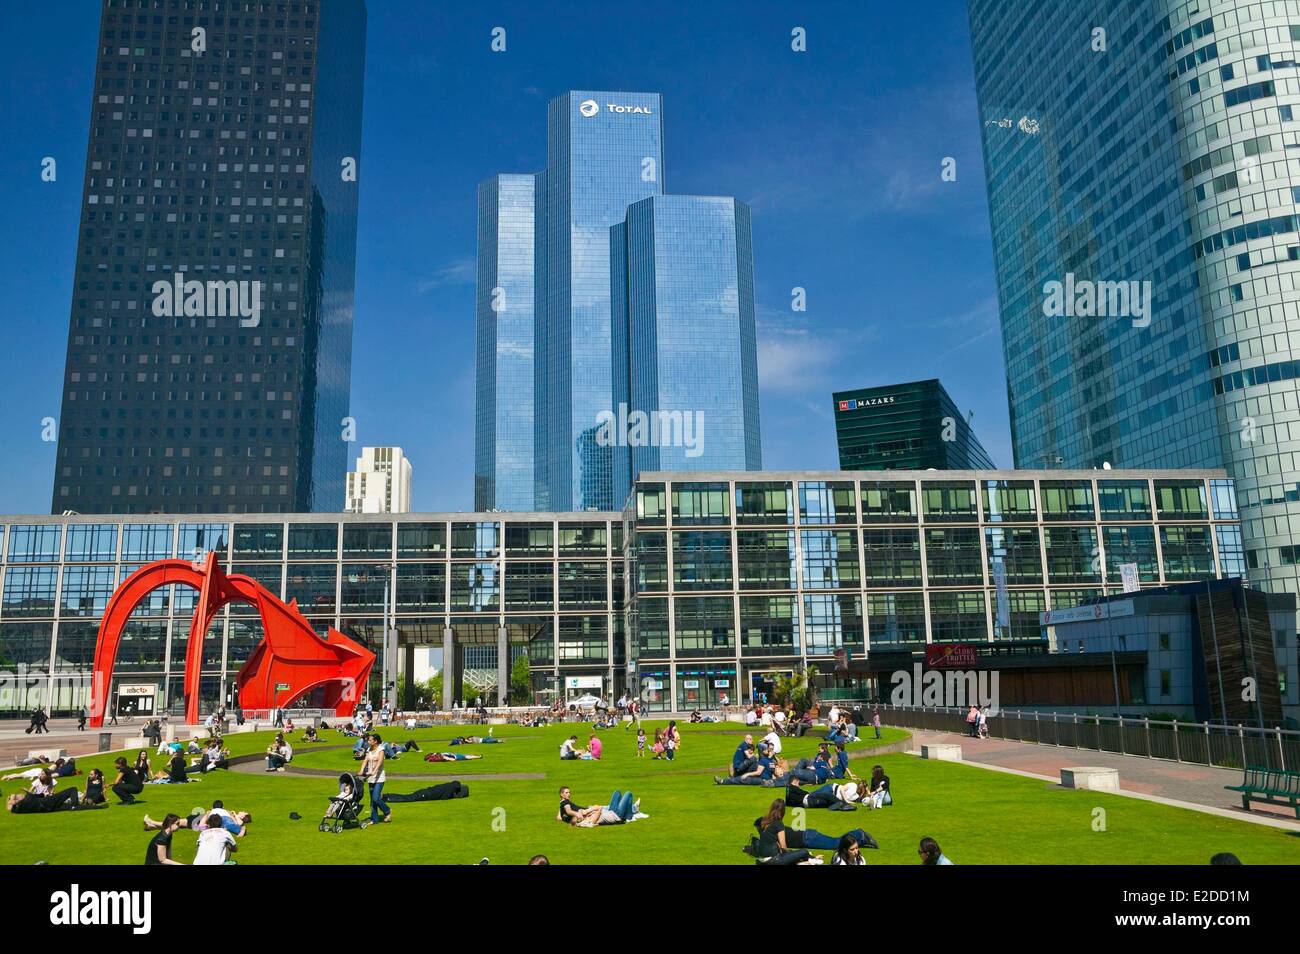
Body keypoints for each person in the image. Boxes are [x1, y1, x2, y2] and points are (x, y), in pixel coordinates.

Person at [752, 800, 813, 865]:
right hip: (773, 860)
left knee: (794, 857)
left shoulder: (764, 822)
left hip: (761, 860)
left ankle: (807, 861)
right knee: (804, 851)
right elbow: (783, 846)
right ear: (782, 811)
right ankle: (811, 860)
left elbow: (756, 825)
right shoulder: (778, 824)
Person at [361, 733, 391, 826]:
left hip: (379, 777)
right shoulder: (369, 749)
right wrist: (361, 771)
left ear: (375, 741)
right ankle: (374, 819)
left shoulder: (381, 749)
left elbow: (380, 761)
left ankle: (387, 811)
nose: (368, 741)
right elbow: (365, 760)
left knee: (376, 798)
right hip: (370, 777)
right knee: (372, 800)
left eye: (370, 740)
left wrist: (375, 770)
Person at [7, 789, 86, 813]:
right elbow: (13, 796)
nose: (20, 795)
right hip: (48, 802)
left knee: (69, 807)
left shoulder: (20, 808)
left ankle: (98, 807)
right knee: (72, 789)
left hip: (47, 808)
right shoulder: (26, 800)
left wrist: (11, 799)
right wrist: (12, 797)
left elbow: (10, 805)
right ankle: (75, 805)